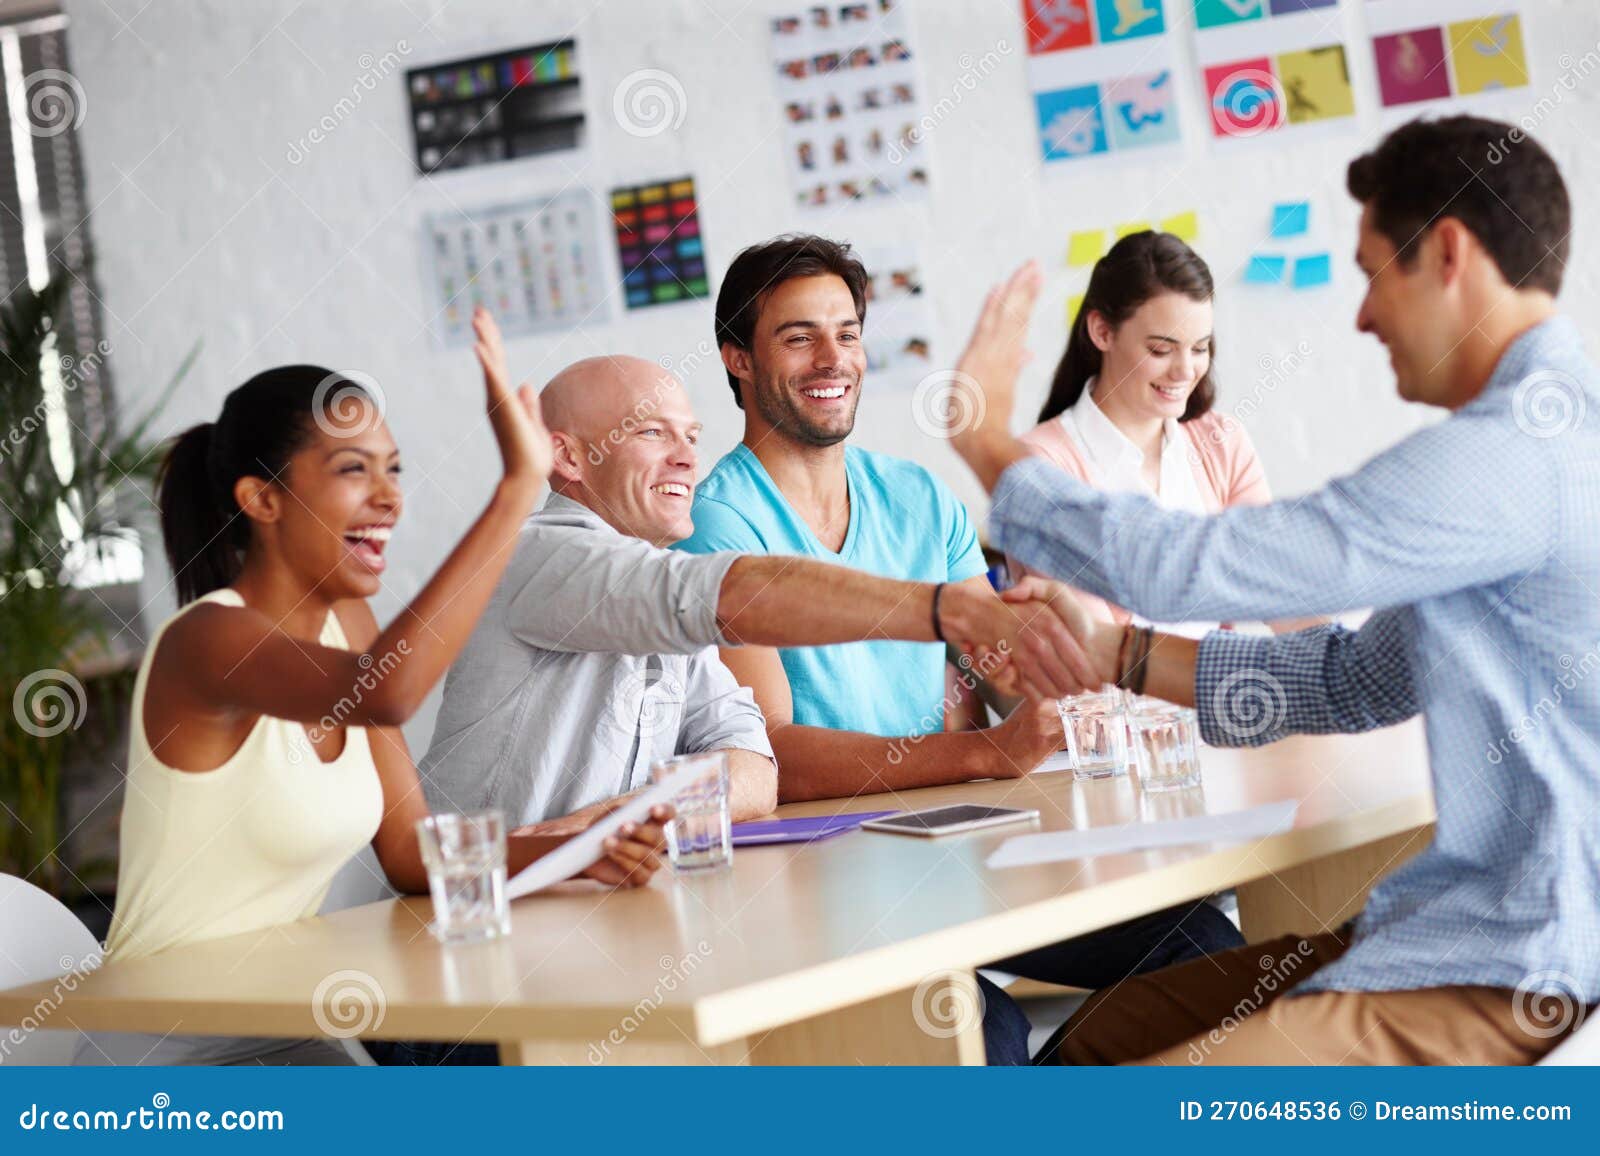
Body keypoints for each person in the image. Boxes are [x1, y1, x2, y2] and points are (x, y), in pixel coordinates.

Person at [945, 116, 1598, 1064]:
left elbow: (1200, 564)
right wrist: (1120, 654)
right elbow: (1344, 679)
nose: (1363, 316)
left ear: (1449, 253)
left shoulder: (1514, 457)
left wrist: (990, 449)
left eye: (1374, 272)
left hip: (1524, 965)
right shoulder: (1533, 450)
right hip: (1451, 938)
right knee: (1092, 1049)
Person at [675, 234, 1245, 1061]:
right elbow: (772, 759)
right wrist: (981, 752)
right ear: (738, 359)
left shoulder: (915, 494)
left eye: (848, 331)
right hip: (826, 877)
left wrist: (1048, 641)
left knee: (1203, 952)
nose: (833, 357)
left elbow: (990, 666)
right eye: (799, 337)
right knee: (984, 1026)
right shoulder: (717, 527)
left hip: (956, 842)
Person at [79, 310, 672, 1067]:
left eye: (393, 468)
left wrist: (579, 850)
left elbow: (414, 856)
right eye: (354, 469)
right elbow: (385, 693)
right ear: (262, 500)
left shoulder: (348, 623)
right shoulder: (206, 641)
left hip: (286, 1030)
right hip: (164, 1056)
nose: (390, 496)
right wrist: (519, 487)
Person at [419, 354, 1089, 829]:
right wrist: (945, 611)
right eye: (653, 433)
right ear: (567, 457)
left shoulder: (658, 591)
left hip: (583, 931)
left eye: (690, 436)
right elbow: (733, 593)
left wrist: (620, 822)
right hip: (472, 968)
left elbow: (754, 768)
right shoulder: (541, 553)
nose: (686, 457)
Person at [1017, 230, 1287, 638]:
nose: (1185, 371)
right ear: (1102, 332)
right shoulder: (1043, 466)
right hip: (1120, 700)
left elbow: (1279, 586)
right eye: (1161, 350)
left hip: (1217, 692)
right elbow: (1099, 652)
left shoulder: (1223, 442)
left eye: (1199, 348)